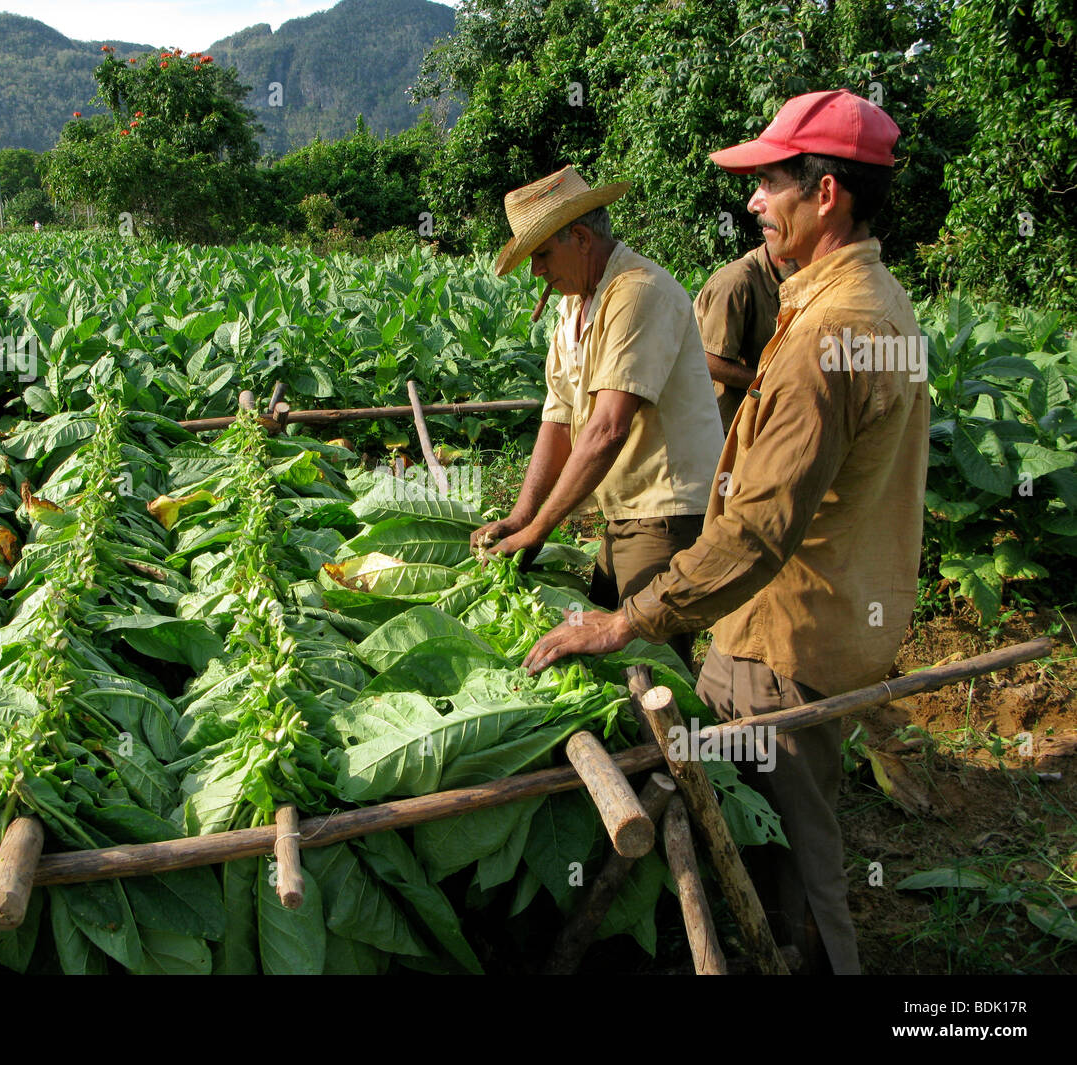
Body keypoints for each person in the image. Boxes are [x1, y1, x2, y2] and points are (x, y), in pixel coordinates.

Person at [523, 90, 930, 975]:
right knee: (787, 823)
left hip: (781, 638)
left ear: (827, 194)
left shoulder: (831, 333)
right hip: (831, 615)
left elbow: (755, 533)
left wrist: (623, 621)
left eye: (769, 181)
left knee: (795, 850)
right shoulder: (876, 300)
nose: (752, 201)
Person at [471, 166, 725, 667]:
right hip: (625, 511)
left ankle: (684, 745)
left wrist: (540, 530)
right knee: (598, 643)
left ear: (581, 238)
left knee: (646, 666)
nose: (536, 271)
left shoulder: (637, 293)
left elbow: (608, 429)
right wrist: (522, 516)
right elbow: (558, 419)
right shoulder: (575, 307)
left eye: (542, 254)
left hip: (666, 511)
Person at [695, 242, 797, 433]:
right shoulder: (735, 283)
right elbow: (709, 361)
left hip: (753, 418)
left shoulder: (782, 279)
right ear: (783, 257)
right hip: (717, 423)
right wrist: (772, 382)